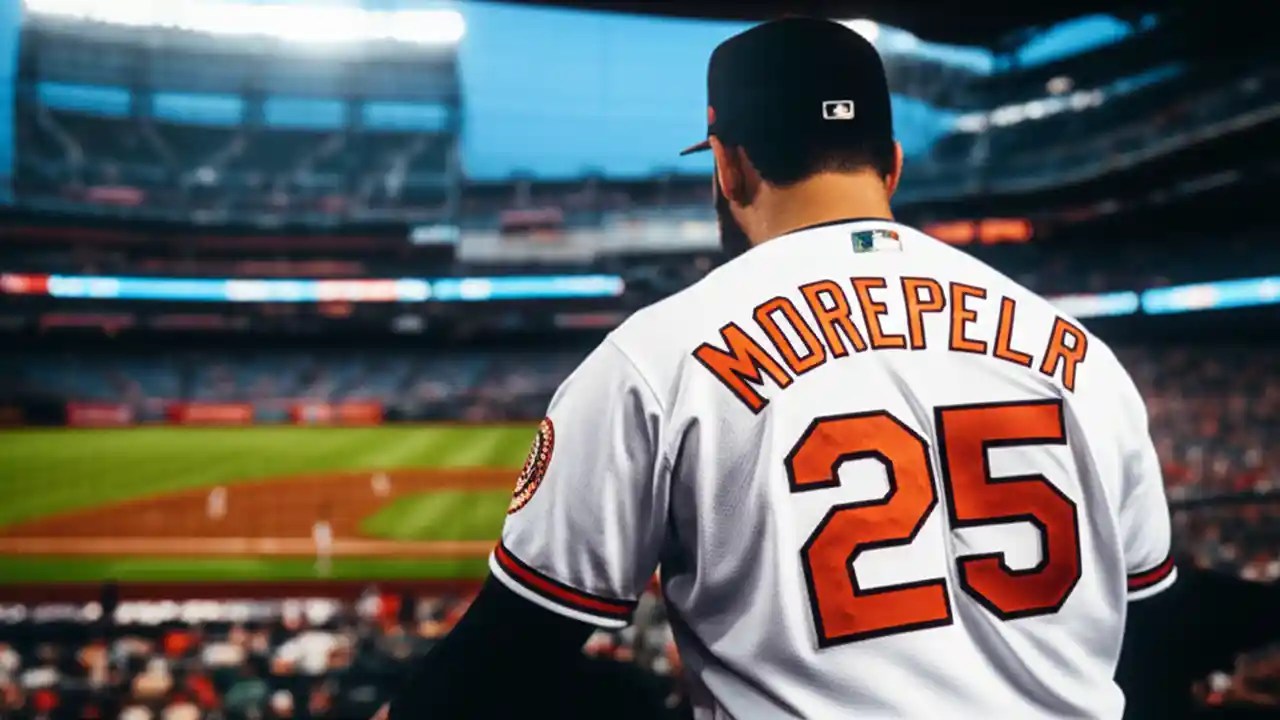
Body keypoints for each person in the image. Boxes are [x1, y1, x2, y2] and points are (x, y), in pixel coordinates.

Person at [388, 18, 1179, 719]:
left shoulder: (659, 354)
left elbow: (511, 652)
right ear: (892, 166)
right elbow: (1149, 631)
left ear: (730, 167)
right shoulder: (1079, 355)